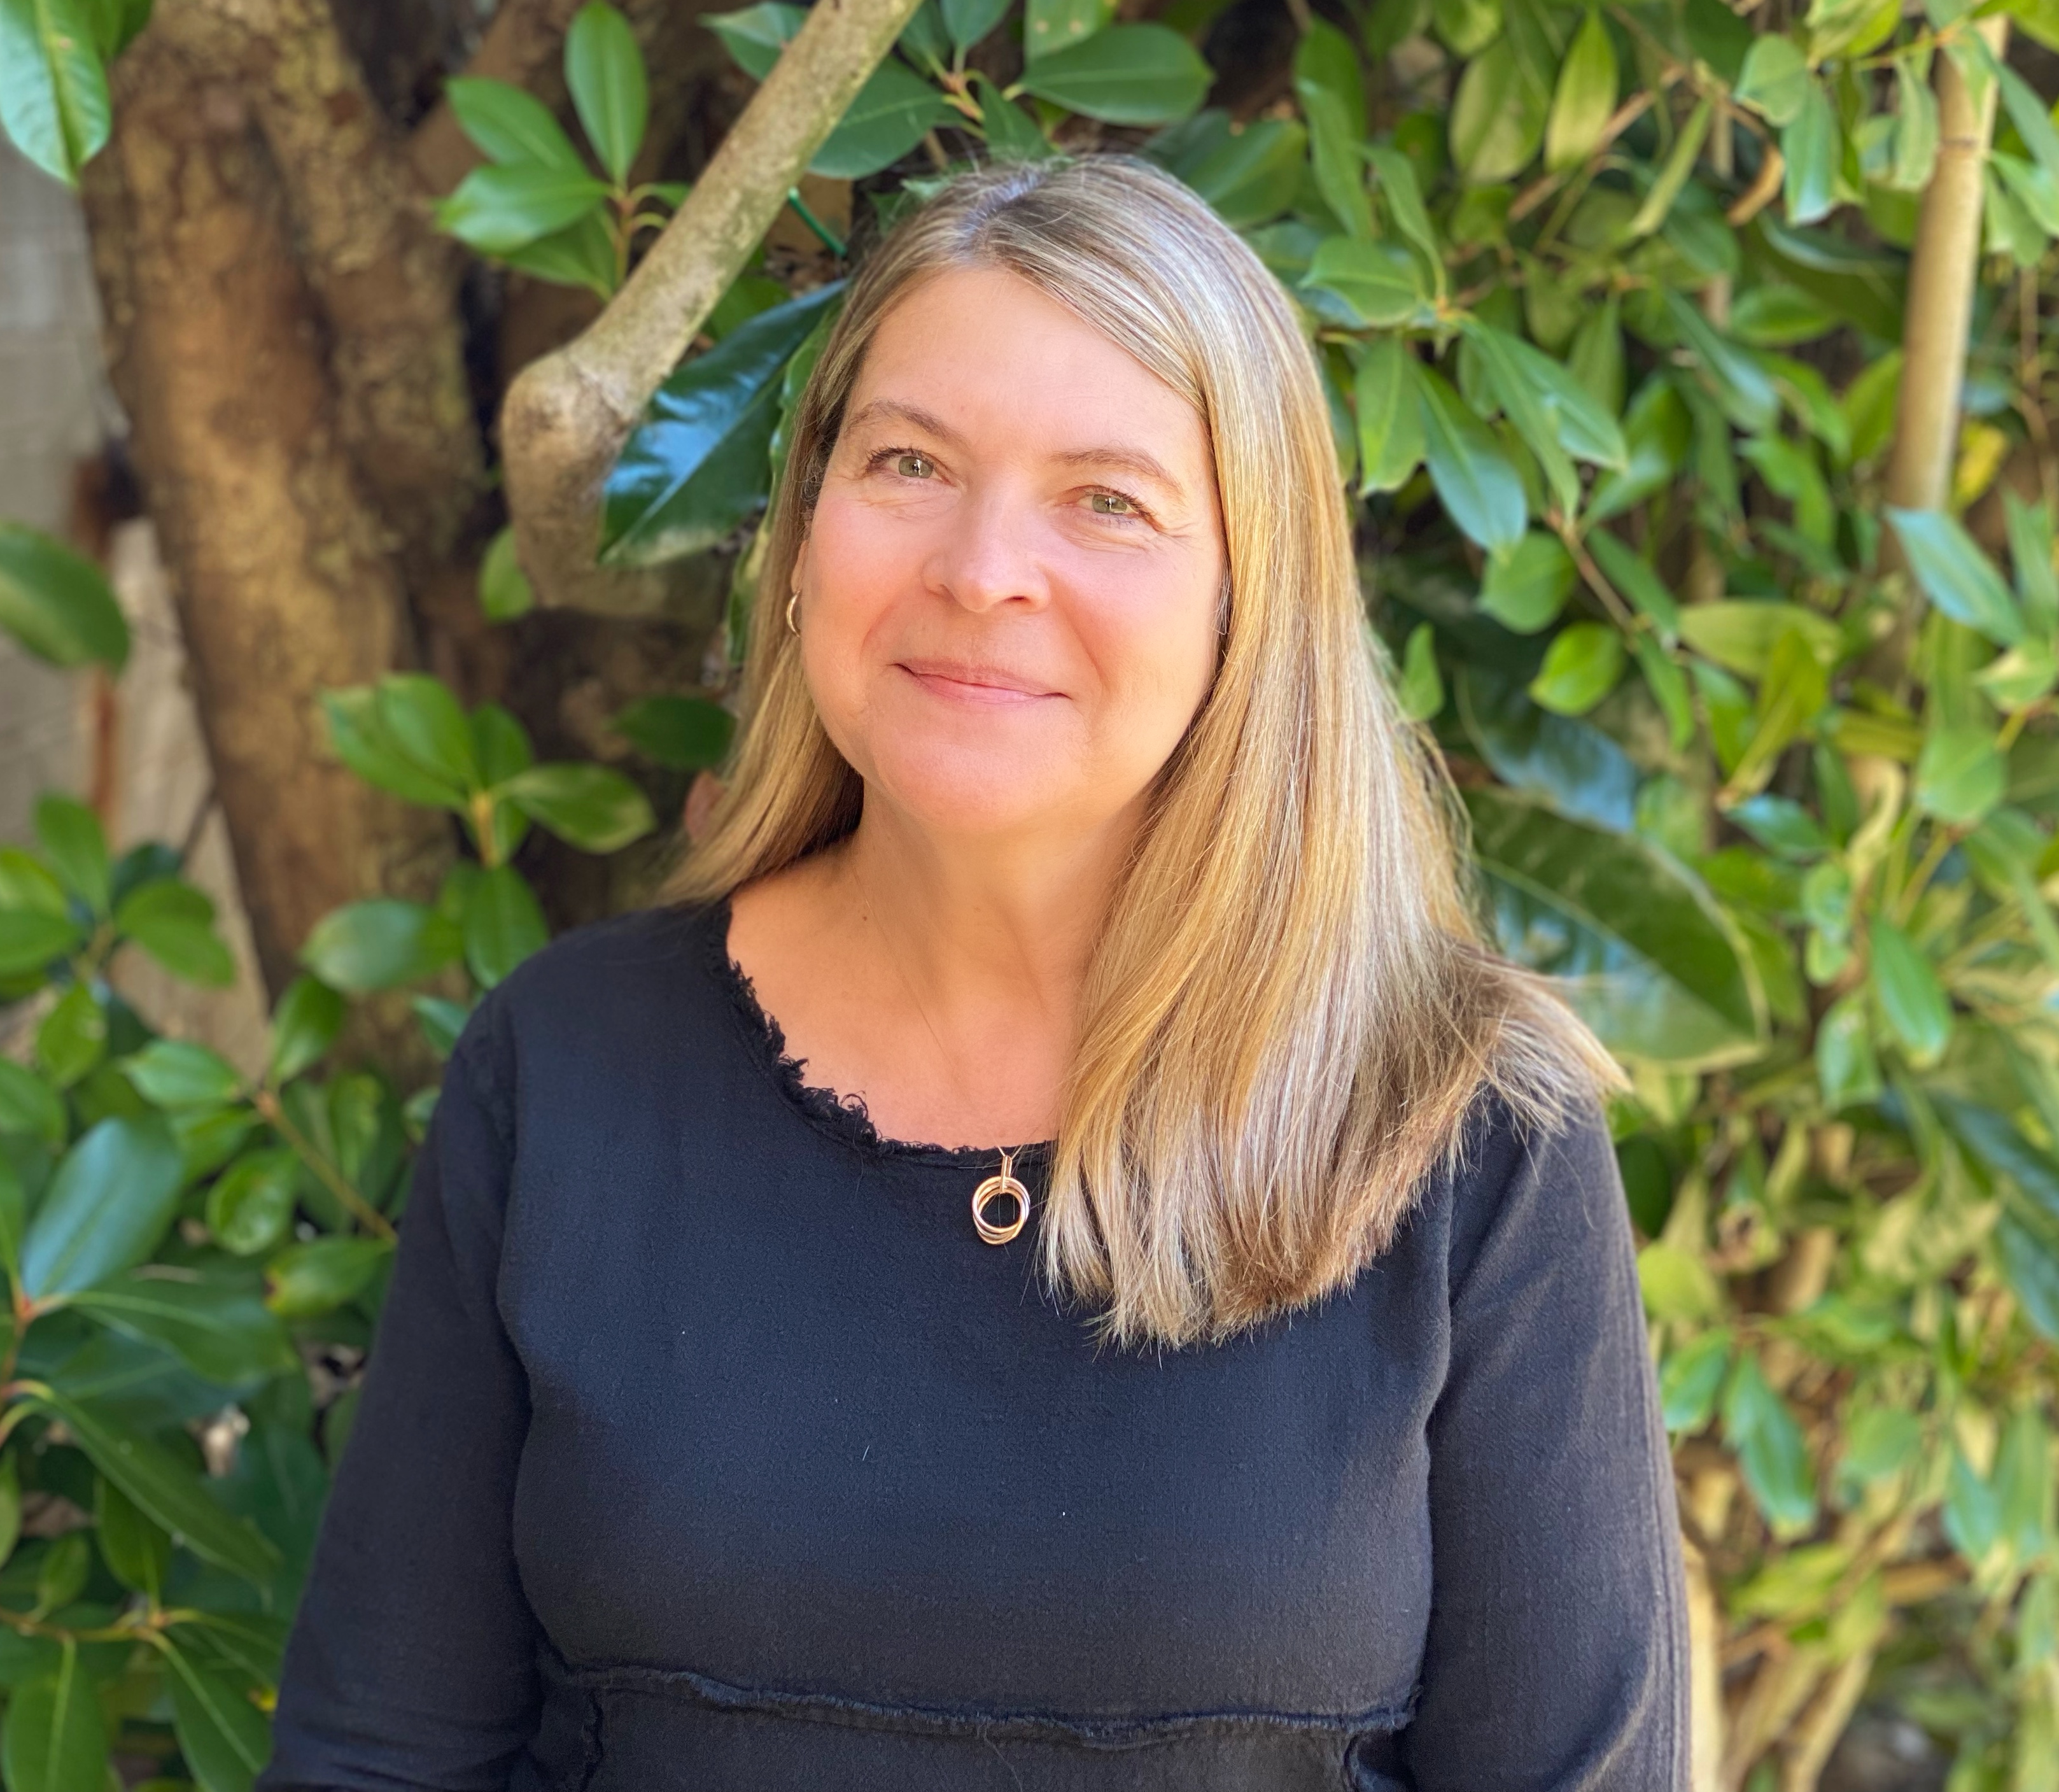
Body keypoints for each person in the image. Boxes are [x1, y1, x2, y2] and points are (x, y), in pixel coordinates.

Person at [256, 153, 1689, 1792]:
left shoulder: (1462, 1130)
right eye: (909, 462)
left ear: (1249, 598)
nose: (980, 565)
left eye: (1107, 499)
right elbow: (377, 1759)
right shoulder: (568, 1068)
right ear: (803, 531)